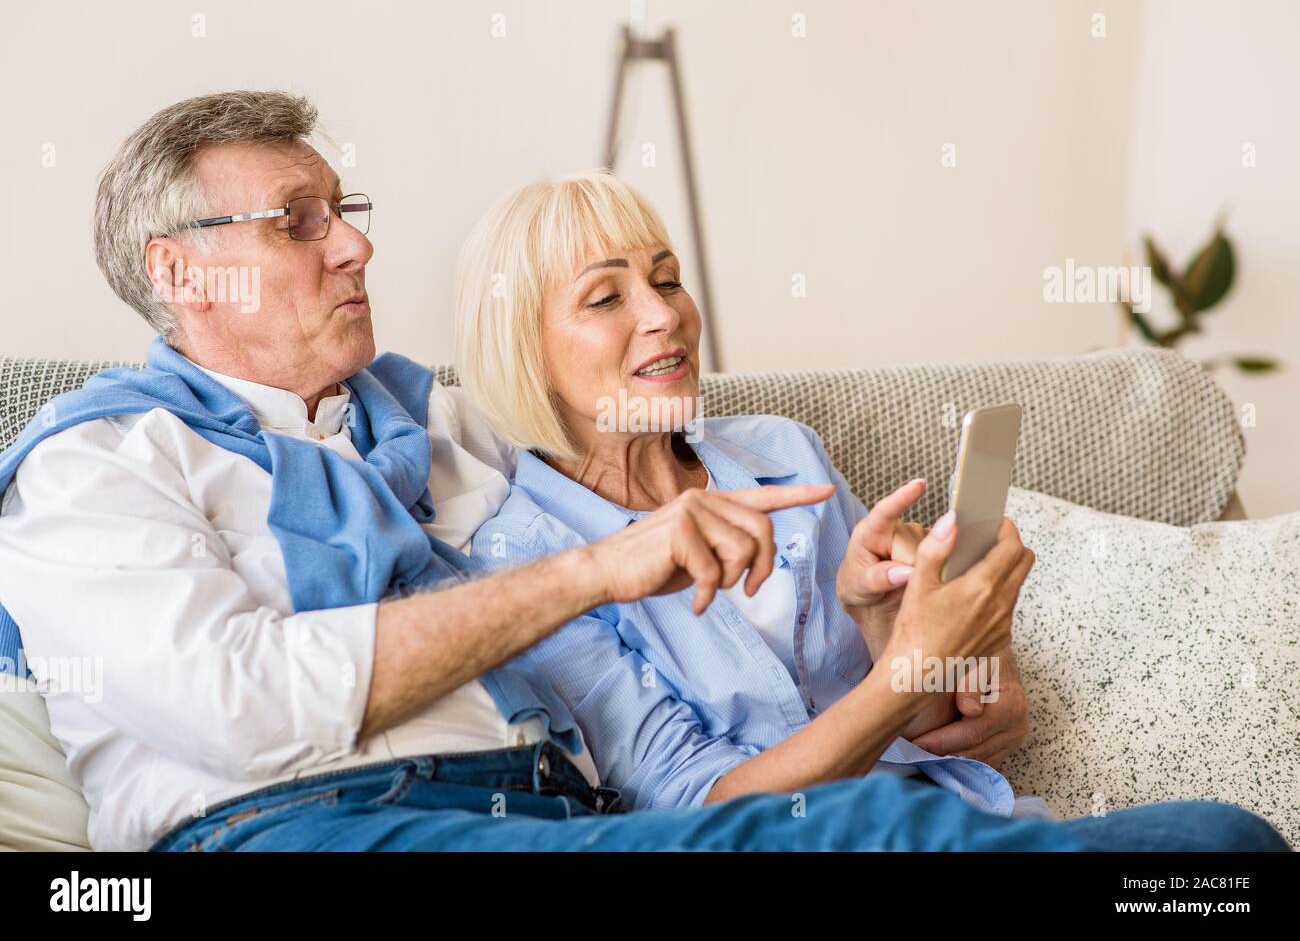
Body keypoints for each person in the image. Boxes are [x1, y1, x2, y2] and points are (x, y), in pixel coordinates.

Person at [0, 93, 1283, 852]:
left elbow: (924, 697)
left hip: (548, 815)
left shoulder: (417, 436)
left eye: (345, 210)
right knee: (900, 835)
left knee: (1207, 844)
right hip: (326, 826)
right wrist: (610, 563)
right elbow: (238, 705)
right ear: (180, 271)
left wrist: (911, 632)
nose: (352, 248)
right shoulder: (101, 458)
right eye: (298, 222)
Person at [455, 170, 1290, 850]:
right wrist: (903, 674)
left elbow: (927, 725)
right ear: (523, 347)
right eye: (607, 299)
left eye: (666, 278)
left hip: (954, 823)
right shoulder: (526, 564)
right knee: (1219, 851)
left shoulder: (778, 452)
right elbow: (699, 817)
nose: (664, 312)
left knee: (1220, 850)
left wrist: (911, 624)